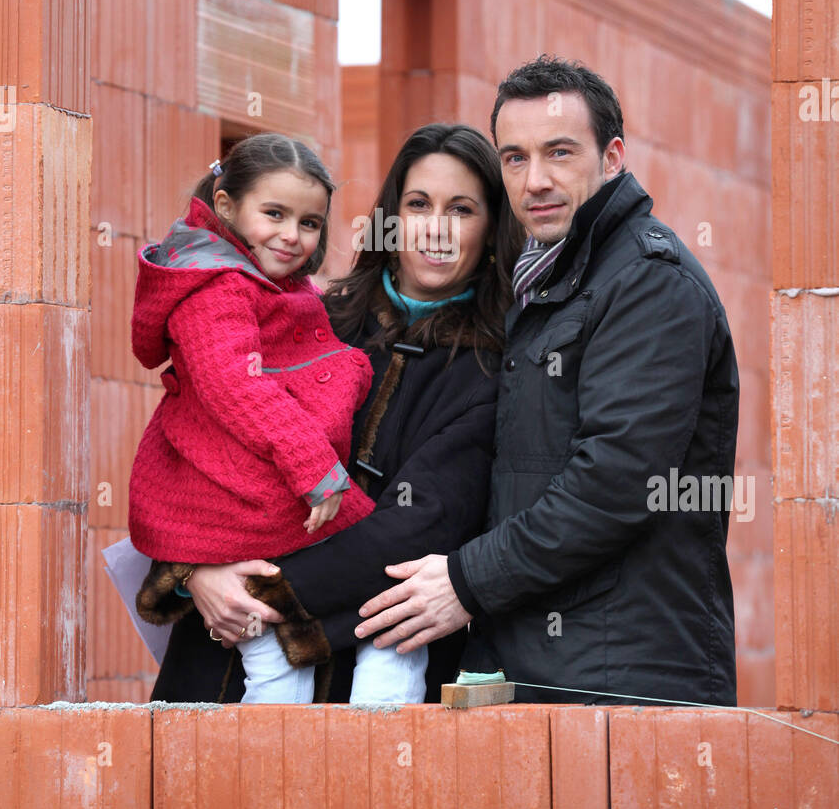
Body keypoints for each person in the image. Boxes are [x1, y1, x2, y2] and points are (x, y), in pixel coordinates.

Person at [355, 56, 739, 708]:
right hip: (540, 671)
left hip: (627, 682)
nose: (536, 180)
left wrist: (466, 582)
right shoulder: (544, 286)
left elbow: (615, 482)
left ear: (612, 156)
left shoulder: (648, 282)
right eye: (514, 158)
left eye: (559, 152)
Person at [138, 123, 515, 705]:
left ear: (491, 229)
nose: (436, 229)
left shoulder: (497, 364)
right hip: (225, 654)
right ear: (391, 218)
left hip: (376, 652)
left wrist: (269, 594)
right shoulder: (309, 314)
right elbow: (194, 436)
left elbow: (422, 526)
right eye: (418, 205)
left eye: (461, 210)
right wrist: (193, 575)